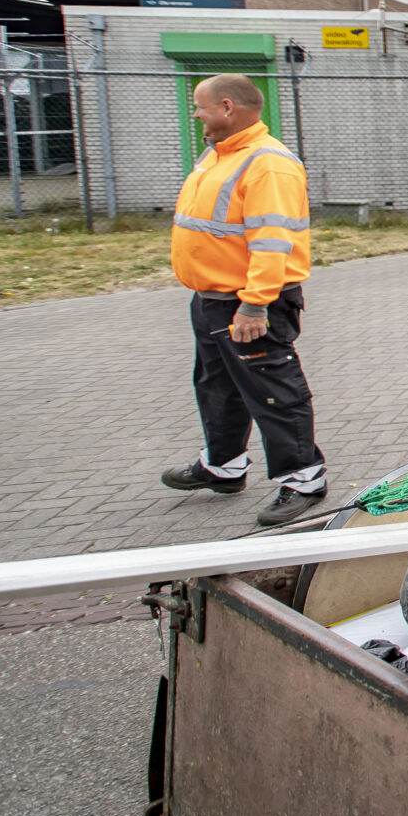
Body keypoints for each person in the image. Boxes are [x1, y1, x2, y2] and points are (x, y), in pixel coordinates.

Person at [158, 73, 328, 526]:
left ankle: (304, 478)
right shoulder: (220, 155)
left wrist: (254, 305)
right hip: (212, 297)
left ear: (228, 107)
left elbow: (272, 241)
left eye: (201, 106)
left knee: (272, 389)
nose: (197, 114)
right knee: (216, 385)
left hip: (248, 302)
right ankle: (224, 465)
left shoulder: (267, 164)